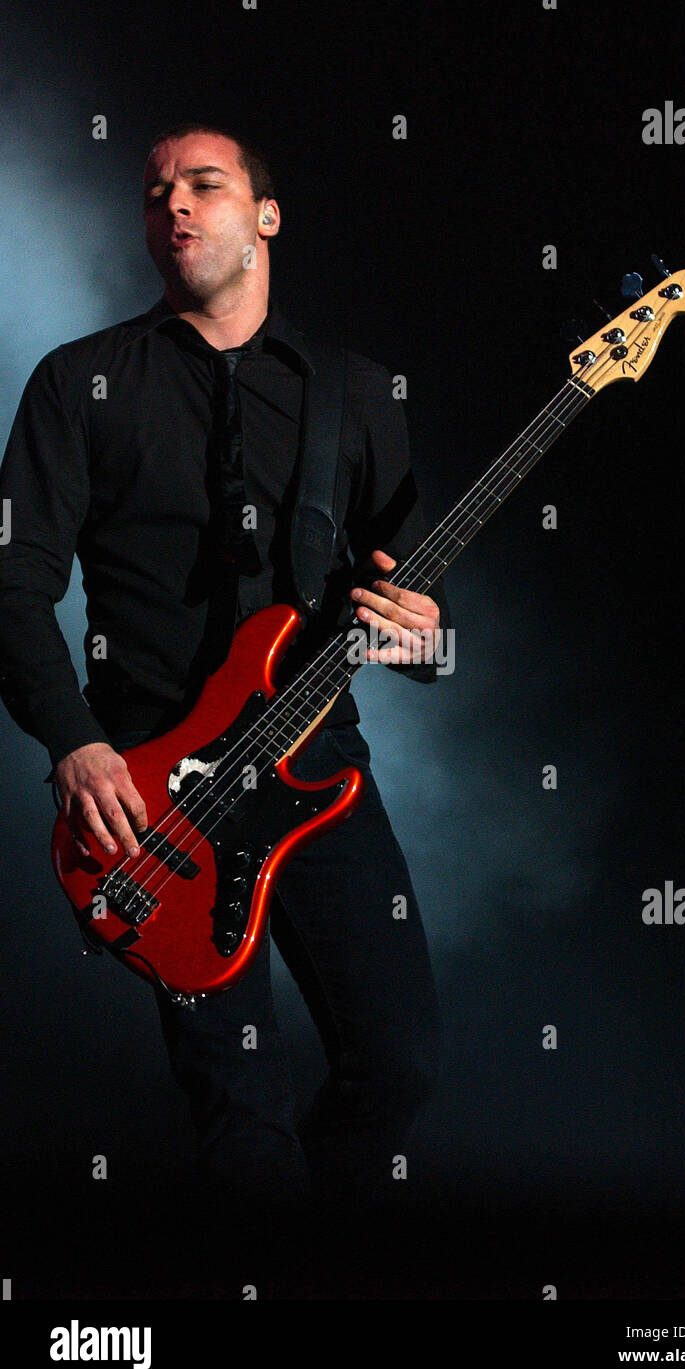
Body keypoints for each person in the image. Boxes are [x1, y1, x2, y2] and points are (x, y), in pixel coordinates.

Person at [0, 122, 449, 1255]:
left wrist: (430, 639)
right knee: (238, 1113)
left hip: (317, 769)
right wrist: (74, 741)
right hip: (159, 795)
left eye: (205, 185)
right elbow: (11, 585)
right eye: (156, 194)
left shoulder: (350, 394)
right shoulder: (78, 384)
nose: (176, 208)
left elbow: (410, 601)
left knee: (397, 1063)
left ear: (266, 216)